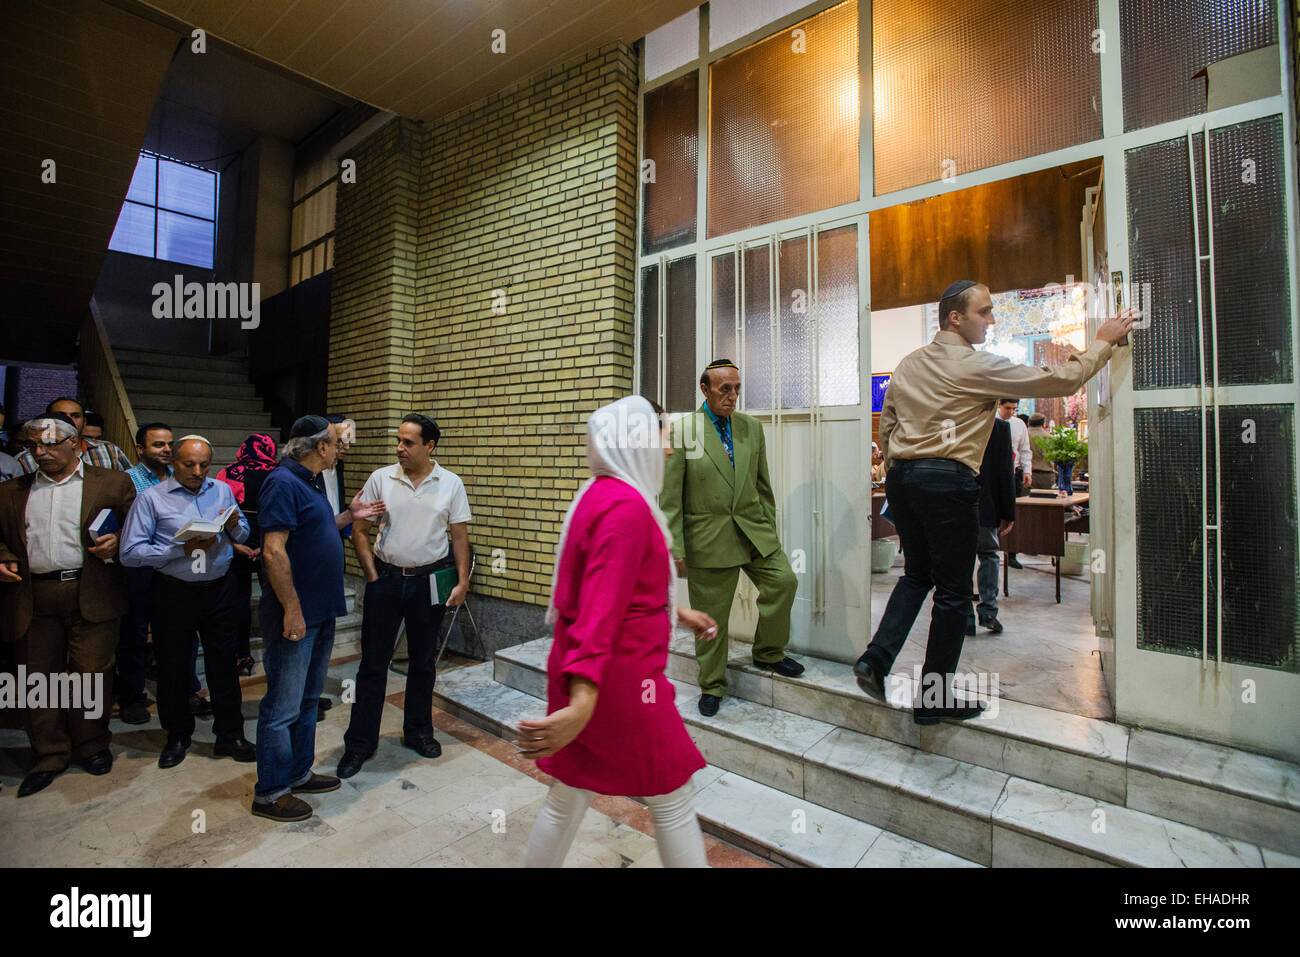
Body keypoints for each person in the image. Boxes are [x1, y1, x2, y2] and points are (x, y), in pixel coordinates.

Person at [854, 280, 1134, 724]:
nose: (992, 319)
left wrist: (904, 468)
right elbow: (1057, 379)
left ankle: (875, 660)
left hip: (903, 479)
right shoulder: (975, 365)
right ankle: (932, 700)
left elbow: (887, 426)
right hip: (948, 481)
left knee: (916, 576)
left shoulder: (908, 364)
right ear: (955, 318)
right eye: (984, 312)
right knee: (952, 592)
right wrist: (1102, 344)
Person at [520, 396, 717, 867]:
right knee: (671, 793)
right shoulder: (626, 508)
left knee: (569, 794)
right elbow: (599, 610)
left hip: (594, 673)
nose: (668, 450)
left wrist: (676, 612)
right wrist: (583, 701)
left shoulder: (600, 493)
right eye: (662, 436)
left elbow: (616, 591)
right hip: (621, 684)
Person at [250, 415, 384, 822]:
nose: (340, 449)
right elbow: (274, 551)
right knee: (283, 706)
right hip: (298, 613)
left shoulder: (308, 482)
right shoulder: (282, 483)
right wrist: (291, 608)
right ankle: (271, 792)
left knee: (309, 700)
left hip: (320, 611)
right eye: (335, 443)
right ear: (319, 447)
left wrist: (348, 514)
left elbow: (316, 530)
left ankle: (297, 772)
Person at [0, 415, 135, 797]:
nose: (39, 453)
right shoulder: (11, 491)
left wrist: (119, 540)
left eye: (49, 445)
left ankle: (92, 744)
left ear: (75, 444)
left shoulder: (112, 483)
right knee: (38, 679)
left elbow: (138, 526)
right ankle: (49, 753)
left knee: (91, 675)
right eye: (33, 446)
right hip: (32, 596)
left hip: (91, 591)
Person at [660, 359, 803, 717]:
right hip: (707, 537)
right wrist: (675, 546)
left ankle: (769, 653)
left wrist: (768, 526)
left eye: (737, 388)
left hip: (753, 530)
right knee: (711, 619)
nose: (733, 395)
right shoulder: (683, 431)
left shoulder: (751, 429)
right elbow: (670, 496)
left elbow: (762, 485)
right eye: (725, 388)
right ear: (705, 390)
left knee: (783, 582)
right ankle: (712, 684)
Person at [337, 413, 471, 778]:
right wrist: (371, 573)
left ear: (430, 446)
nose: (400, 448)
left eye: (409, 442)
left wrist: (461, 582)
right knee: (372, 665)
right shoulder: (382, 478)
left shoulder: (450, 483)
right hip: (387, 581)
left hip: (429, 582)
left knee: (424, 663)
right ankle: (360, 744)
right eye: (399, 440)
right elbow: (359, 528)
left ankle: (418, 732)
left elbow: (459, 536)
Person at [120, 436, 255, 767]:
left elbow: (244, 532)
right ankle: (178, 736)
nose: (197, 471)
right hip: (174, 591)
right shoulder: (152, 499)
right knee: (174, 668)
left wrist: (237, 527)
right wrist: (175, 550)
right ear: (173, 462)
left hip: (219, 589)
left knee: (224, 665)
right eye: (188, 464)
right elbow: (129, 552)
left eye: (204, 465)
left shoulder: (221, 490)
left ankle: (230, 735)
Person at [116, 421, 175, 725]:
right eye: (158, 445)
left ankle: (181, 692)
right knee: (135, 633)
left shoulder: (182, 477)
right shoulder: (127, 481)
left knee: (177, 632)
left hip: (175, 567)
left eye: (168, 444)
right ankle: (132, 696)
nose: (166, 450)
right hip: (141, 568)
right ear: (140, 449)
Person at [216, 433, 278, 676]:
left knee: (238, 599)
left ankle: (241, 655)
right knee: (273, 597)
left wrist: (233, 543)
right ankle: (277, 650)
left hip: (237, 533)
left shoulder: (230, 472)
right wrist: (268, 543)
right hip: (270, 533)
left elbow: (221, 508)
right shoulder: (278, 474)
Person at [965, 417, 1015, 636]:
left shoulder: (956, 420)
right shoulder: (1000, 427)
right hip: (987, 502)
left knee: (960, 559)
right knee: (989, 554)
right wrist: (1008, 511)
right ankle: (988, 613)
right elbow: (1005, 471)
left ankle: (965, 617)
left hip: (955, 502)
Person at [15, 398, 132, 473]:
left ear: (84, 422)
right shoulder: (27, 459)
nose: (68, 420)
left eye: (75, 416)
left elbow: (129, 485)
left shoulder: (109, 450)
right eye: (60, 415)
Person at [998, 398, 1032, 568]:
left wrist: (1027, 471)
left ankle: (1012, 554)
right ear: (998, 404)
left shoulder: (1019, 425)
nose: (1010, 412)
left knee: (1012, 513)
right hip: (994, 475)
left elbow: (1025, 450)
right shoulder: (989, 421)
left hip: (1013, 474)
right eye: (1007, 408)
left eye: (1014, 409)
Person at [1027, 413, 1055, 490]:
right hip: (1046, 475)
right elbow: (1053, 457)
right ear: (1043, 424)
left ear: (1029, 423)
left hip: (1028, 475)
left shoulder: (1024, 435)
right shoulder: (1048, 437)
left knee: (1027, 500)